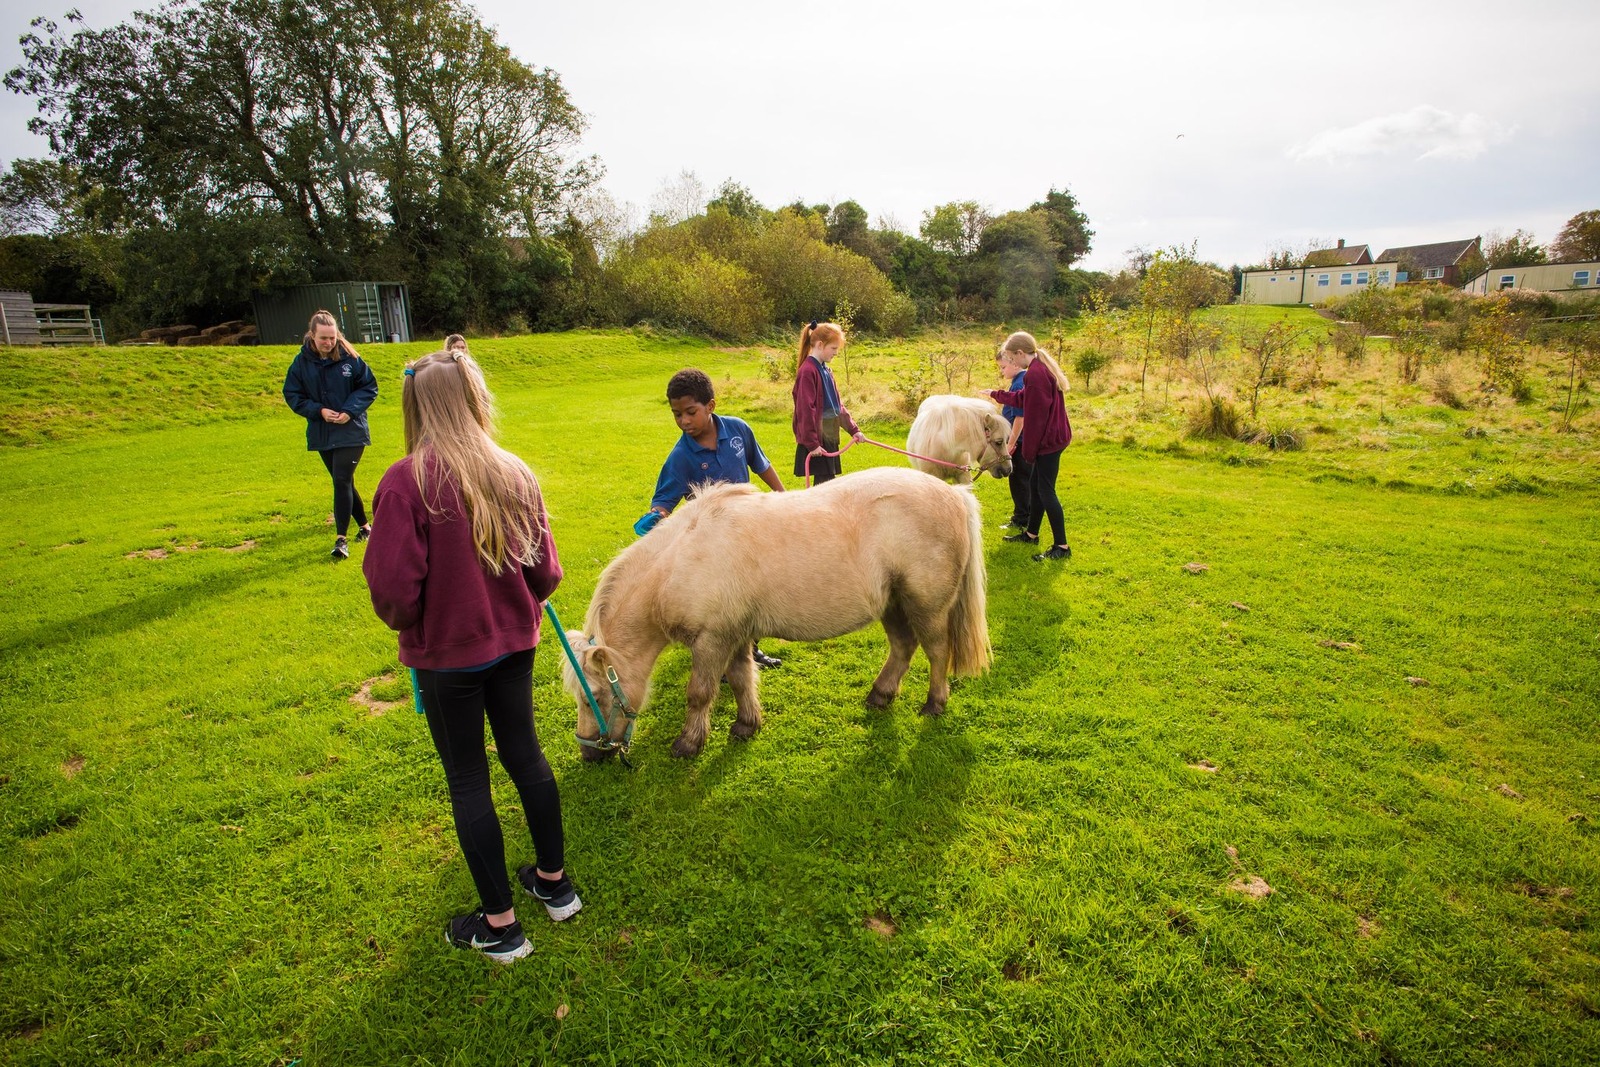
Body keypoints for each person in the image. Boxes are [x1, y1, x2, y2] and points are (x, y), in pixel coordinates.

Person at [363, 348, 579, 963]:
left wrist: (415, 623)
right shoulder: (512, 470)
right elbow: (546, 571)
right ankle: (556, 886)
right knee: (525, 754)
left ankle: (502, 925)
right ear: (473, 398)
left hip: (450, 657)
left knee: (469, 777)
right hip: (512, 644)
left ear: (416, 405)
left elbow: (393, 587)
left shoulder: (408, 480)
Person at [646, 368, 787, 669]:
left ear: (710, 406)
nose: (683, 421)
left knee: (751, 595)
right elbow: (664, 500)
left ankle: (751, 651)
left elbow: (761, 464)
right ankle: (723, 661)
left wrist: (783, 496)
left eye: (690, 412)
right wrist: (657, 515)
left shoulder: (738, 430)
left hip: (750, 531)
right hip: (711, 545)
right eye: (676, 414)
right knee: (722, 604)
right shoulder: (681, 456)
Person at [282, 310, 379, 560]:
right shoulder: (301, 363)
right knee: (344, 481)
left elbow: (369, 387)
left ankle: (341, 540)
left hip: (351, 430)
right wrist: (319, 411)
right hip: (322, 431)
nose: (328, 343)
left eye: (332, 338)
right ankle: (366, 528)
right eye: (323, 338)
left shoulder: (351, 359)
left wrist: (349, 411)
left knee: (341, 480)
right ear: (312, 336)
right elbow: (293, 395)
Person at [982, 331, 1073, 562]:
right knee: (1035, 487)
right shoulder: (1038, 369)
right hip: (1052, 438)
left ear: (1021, 353)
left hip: (1049, 442)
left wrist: (1029, 453)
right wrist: (997, 395)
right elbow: (1024, 398)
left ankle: (1061, 547)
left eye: (1012, 358)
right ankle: (1031, 534)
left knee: (1046, 492)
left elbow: (1036, 419)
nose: (1011, 362)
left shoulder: (1037, 374)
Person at [792, 320, 865, 485]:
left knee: (827, 482)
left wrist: (853, 430)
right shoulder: (808, 371)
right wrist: (812, 443)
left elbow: (837, 406)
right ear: (819, 345)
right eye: (833, 348)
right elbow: (805, 410)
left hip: (830, 434)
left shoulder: (825, 369)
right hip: (818, 437)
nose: (836, 353)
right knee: (825, 485)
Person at [997, 347, 1033, 531]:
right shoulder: (1020, 381)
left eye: (1003, 367)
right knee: (1025, 479)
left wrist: (1011, 443)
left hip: (1020, 440)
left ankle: (1021, 518)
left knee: (1018, 479)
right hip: (1023, 439)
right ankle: (1026, 514)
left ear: (1013, 362)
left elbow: (1021, 417)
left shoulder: (1019, 384)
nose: (1002, 371)